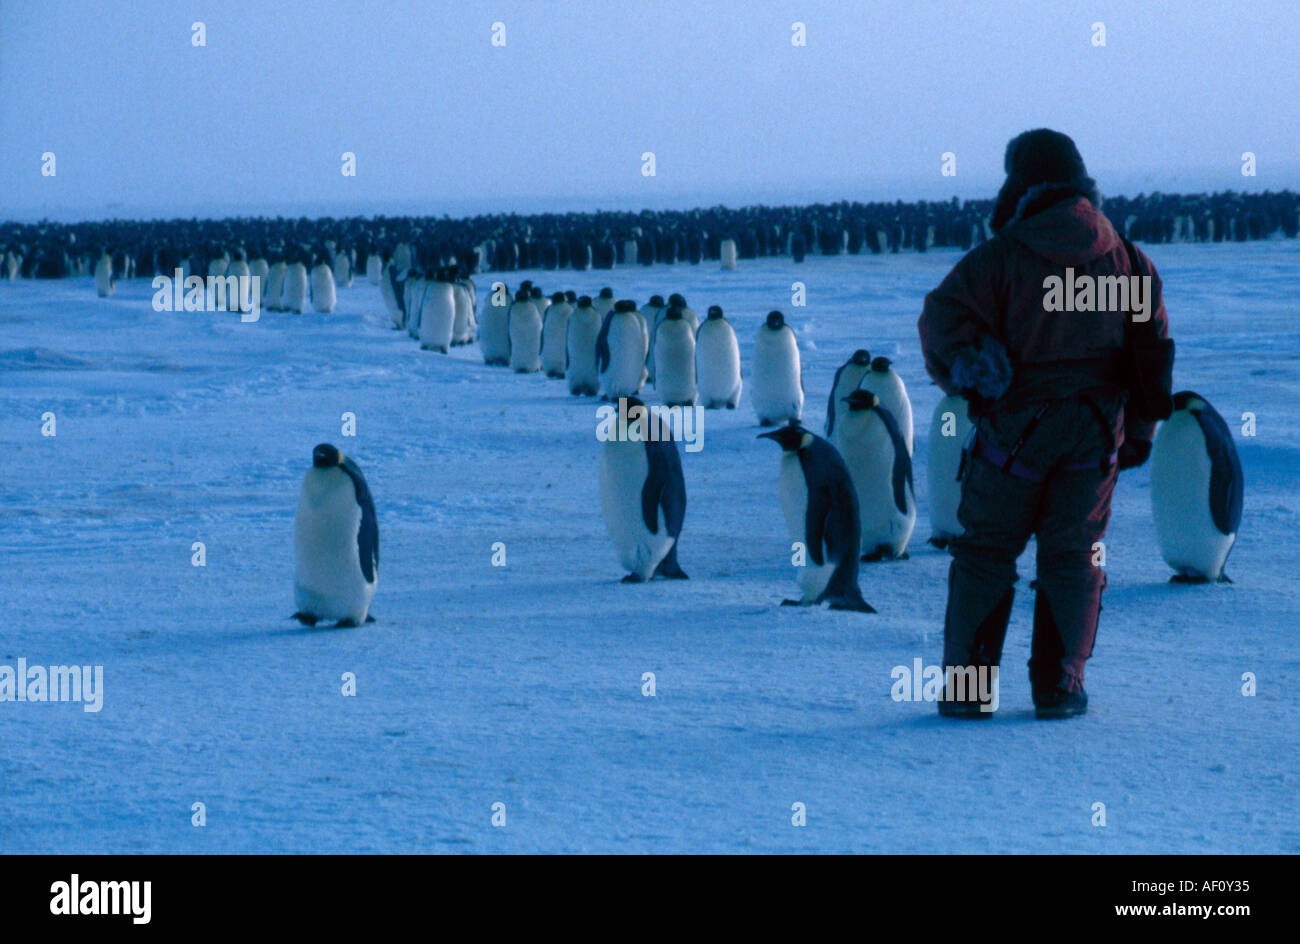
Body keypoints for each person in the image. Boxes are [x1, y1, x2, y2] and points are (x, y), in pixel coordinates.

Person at [918, 129, 1171, 719]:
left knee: (985, 553)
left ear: (1022, 182)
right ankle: (1060, 686)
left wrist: (976, 367)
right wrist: (1137, 433)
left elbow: (940, 319)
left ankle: (968, 689)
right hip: (1093, 432)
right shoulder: (1128, 259)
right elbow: (1151, 350)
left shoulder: (1002, 257)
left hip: (1016, 432)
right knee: (1075, 554)